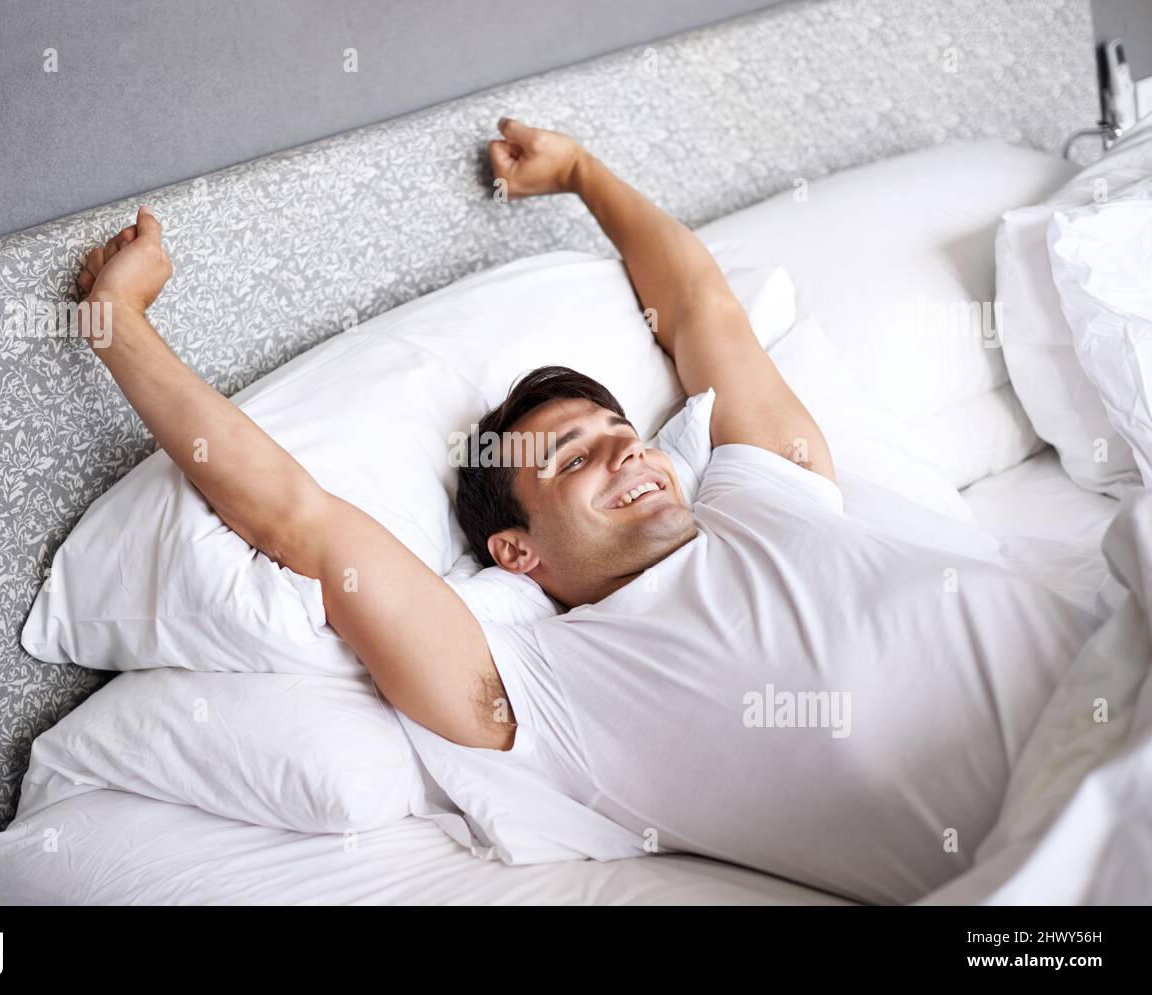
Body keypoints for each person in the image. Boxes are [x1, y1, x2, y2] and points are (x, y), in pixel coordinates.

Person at [76, 119, 1091, 901]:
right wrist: (120, 325)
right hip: (1065, 848)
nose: (627, 447)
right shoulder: (535, 692)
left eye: (624, 429)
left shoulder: (757, 490)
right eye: (571, 453)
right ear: (516, 550)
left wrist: (582, 176)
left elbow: (702, 315)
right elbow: (303, 520)